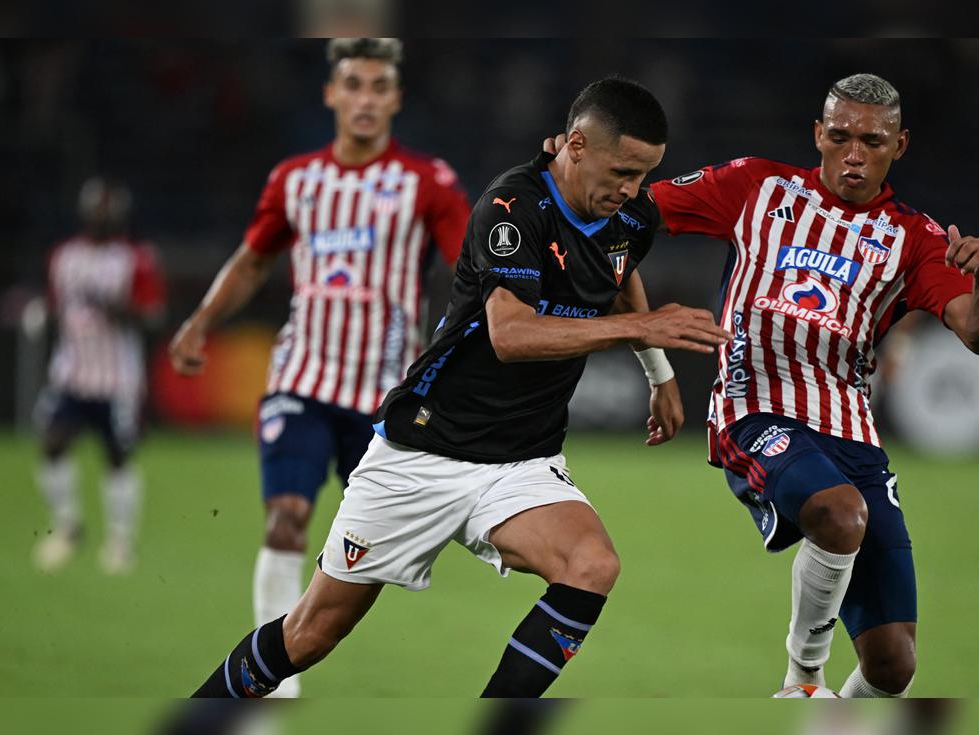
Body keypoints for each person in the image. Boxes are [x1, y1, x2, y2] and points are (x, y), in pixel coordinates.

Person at [189, 76, 731, 698]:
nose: (633, 191)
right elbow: (510, 335)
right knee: (309, 636)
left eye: (645, 174)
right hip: (423, 450)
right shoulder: (512, 206)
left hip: (520, 460)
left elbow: (618, 266)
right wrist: (644, 327)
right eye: (624, 171)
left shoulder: (625, 213)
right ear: (576, 145)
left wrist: (656, 370)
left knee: (592, 565)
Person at [644, 73, 979, 697]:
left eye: (872, 140)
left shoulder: (915, 239)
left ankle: (833, 712)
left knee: (892, 667)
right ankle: (802, 680)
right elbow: (631, 214)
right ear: (818, 134)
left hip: (851, 429)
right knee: (839, 515)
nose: (854, 153)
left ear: (901, 145)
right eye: (839, 137)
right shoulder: (757, 186)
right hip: (754, 407)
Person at [168, 38, 471, 698]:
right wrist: (199, 320)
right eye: (353, 84)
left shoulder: (428, 182)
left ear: (396, 98)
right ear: (332, 94)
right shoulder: (295, 180)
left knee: (375, 551)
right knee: (285, 518)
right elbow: (253, 260)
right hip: (300, 381)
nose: (365, 98)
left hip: (385, 400)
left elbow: (474, 270)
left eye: (378, 87)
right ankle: (275, 687)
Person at [33, 176, 166, 575]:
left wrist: (120, 310)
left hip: (117, 378)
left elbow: (153, 315)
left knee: (118, 456)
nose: (101, 218)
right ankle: (68, 526)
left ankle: (120, 540)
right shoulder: (63, 257)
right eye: (96, 211)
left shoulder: (136, 258)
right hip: (71, 373)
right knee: (53, 443)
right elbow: (59, 308)